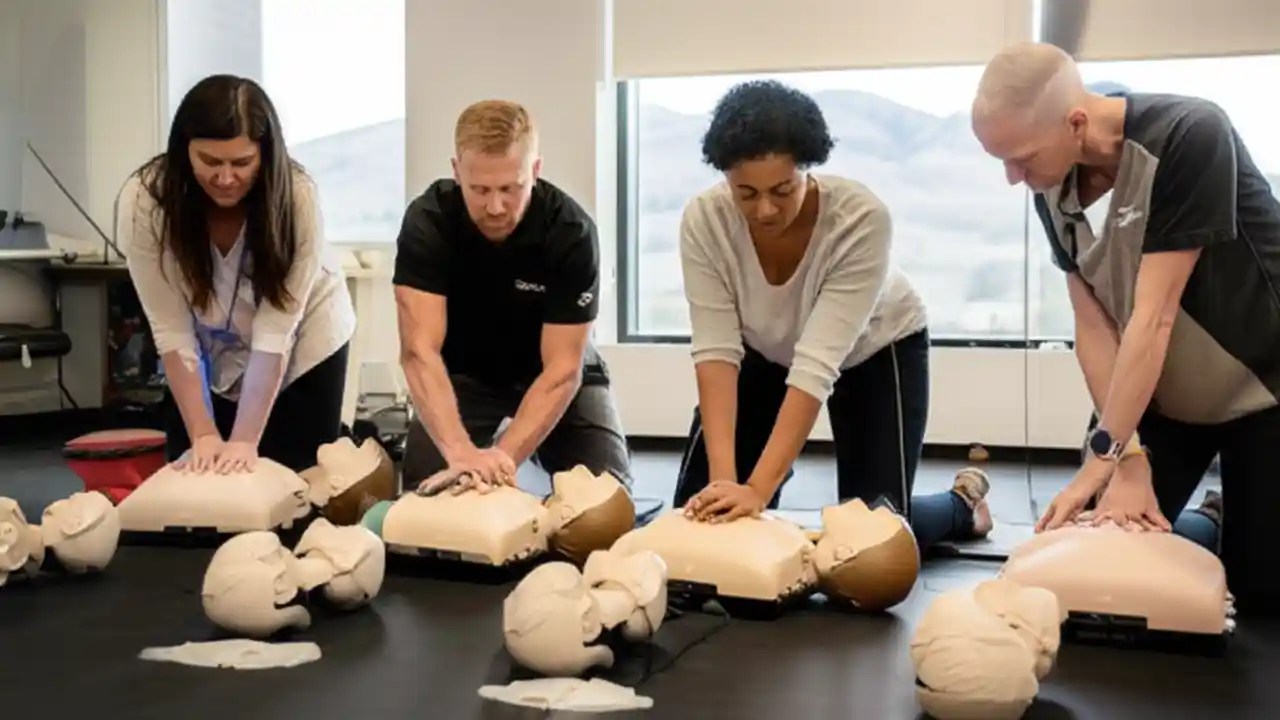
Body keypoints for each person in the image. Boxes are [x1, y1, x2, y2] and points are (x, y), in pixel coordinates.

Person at [971, 42, 1280, 614]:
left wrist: (1099, 462)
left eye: (1021, 158)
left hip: (1263, 388)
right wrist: (1128, 457)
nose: (1014, 179)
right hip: (1163, 397)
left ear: (1077, 122)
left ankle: (1218, 515)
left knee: (1259, 593)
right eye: (1001, 161)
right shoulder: (1052, 178)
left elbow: (1153, 314)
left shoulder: (1191, 133)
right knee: (1106, 550)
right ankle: (1207, 515)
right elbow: (1092, 324)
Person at [673, 80, 993, 550]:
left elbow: (815, 368)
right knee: (697, 520)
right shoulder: (704, 221)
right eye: (745, 193)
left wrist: (757, 490)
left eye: (782, 189)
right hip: (761, 350)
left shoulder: (861, 219)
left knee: (871, 543)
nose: (764, 209)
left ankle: (962, 506)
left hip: (874, 350)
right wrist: (727, 485)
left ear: (807, 167)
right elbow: (716, 352)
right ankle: (761, 476)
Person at [121, 74, 355, 475]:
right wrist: (204, 434)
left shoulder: (296, 197)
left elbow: (275, 331)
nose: (225, 178)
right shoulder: (146, 200)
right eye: (210, 162)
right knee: (198, 469)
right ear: (183, 152)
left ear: (265, 155)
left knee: (293, 477)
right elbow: (172, 331)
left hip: (302, 340)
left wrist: (245, 440)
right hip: (210, 345)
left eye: (242, 163)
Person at [393, 100, 631, 493]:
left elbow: (562, 369)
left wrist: (500, 460)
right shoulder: (428, 222)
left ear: (535, 171)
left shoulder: (571, 233)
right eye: (480, 189)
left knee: (604, 502)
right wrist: (461, 454)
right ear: (456, 172)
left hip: (554, 373)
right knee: (427, 490)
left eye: (510, 188)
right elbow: (419, 350)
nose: (495, 206)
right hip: (466, 375)